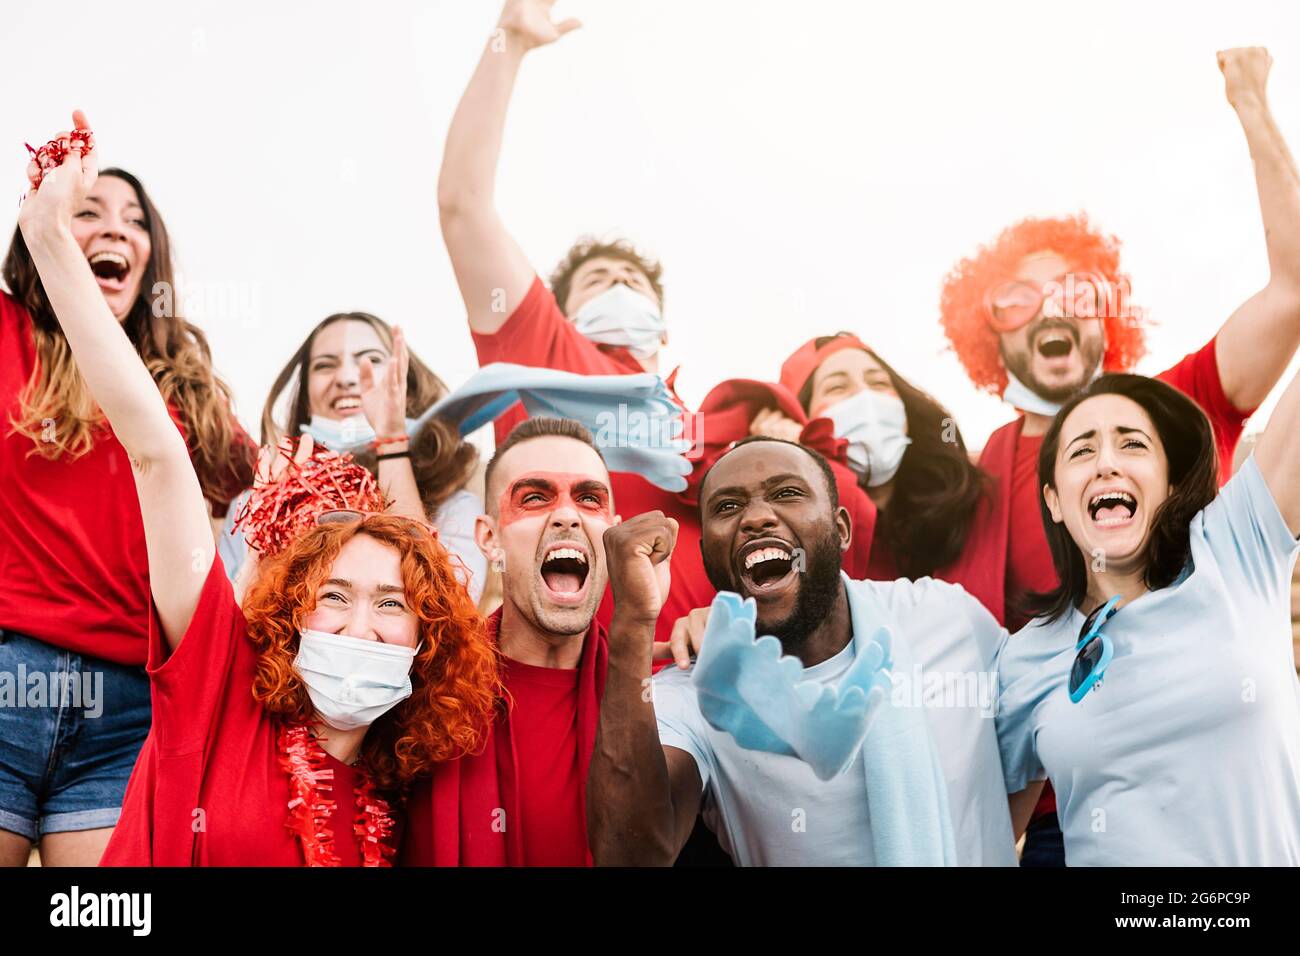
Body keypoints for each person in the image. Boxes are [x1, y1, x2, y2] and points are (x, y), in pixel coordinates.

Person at [17, 124, 500, 867]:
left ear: (425, 639)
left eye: (391, 605)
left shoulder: (405, 795)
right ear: (288, 609)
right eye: (333, 596)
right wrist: (51, 241)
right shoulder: (222, 687)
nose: (359, 626)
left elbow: (424, 568)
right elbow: (157, 454)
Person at [937, 47, 1300, 862]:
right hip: (1065, 796)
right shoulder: (963, 483)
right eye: (1019, 297)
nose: (1109, 458)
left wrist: (1252, 107)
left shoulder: (1183, 412)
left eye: (1076, 291)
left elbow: (1296, 292)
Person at [0, 117, 254, 866]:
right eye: (89, 211)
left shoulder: (184, 384)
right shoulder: (7, 330)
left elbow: (268, 499)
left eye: (135, 221)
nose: (117, 229)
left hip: (129, 706)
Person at [588, 436, 1018, 866]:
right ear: (706, 556)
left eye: (787, 493)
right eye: (727, 506)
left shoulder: (947, 618)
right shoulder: (693, 692)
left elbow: (1036, 747)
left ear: (842, 529)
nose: (756, 518)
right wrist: (635, 621)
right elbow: (630, 855)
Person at [438, 0, 712, 643]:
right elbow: (462, 206)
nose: (618, 287)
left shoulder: (705, 423)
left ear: (663, 326)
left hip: (711, 688)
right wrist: (508, 42)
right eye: (598, 280)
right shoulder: (544, 357)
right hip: (582, 686)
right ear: (562, 308)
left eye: (633, 282)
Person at [996, 372, 1300, 864]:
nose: (1107, 464)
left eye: (1132, 444)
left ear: (1170, 479)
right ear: (1054, 501)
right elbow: (981, 839)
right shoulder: (1024, 659)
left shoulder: (1240, 541)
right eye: (1081, 451)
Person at [401, 417, 647, 865]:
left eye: (589, 499)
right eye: (535, 497)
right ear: (489, 539)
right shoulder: (418, 690)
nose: (568, 515)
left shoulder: (657, 702)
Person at [218, 312, 487, 603]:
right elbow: (226, 619)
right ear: (306, 397)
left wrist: (391, 438)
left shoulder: (456, 507)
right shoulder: (253, 504)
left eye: (371, 360)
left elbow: (444, 608)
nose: (346, 378)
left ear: (407, 386)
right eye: (324, 365)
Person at [757, 333, 996, 611]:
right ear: (802, 421)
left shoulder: (968, 498)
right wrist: (791, 461)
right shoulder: (787, 539)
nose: (865, 397)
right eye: (837, 388)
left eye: (879, 382)